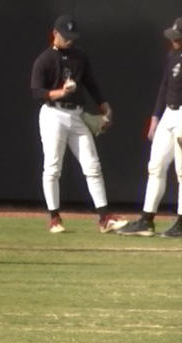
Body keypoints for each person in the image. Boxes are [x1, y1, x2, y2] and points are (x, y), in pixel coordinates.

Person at [30, 15, 127, 234]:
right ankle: (54, 217)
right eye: (66, 36)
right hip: (53, 114)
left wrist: (104, 107)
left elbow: (91, 83)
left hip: (76, 115)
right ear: (55, 33)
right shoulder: (44, 59)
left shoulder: (80, 57)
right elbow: (36, 92)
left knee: (92, 165)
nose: (70, 40)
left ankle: (104, 217)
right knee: (53, 167)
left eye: (72, 36)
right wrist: (60, 92)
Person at [118, 17, 182, 238]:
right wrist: (156, 116)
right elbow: (165, 86)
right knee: (155, 166)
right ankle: (147, 220)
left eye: (177, 37)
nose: (174, 40)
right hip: (169, 114)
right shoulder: (173, 55)